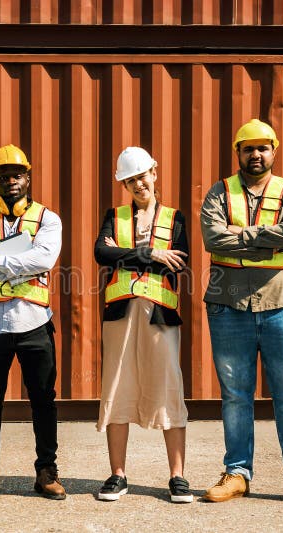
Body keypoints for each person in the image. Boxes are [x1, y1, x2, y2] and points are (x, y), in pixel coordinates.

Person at [199, 119, 283, 506]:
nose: (255, 155)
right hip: (229, 308)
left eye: (262, 148)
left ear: (274, 151)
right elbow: (212, 237)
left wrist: (245, 237)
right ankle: (237, 474)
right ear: (237, 153)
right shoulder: (218, 193)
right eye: (247, 148)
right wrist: (270, 237)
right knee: (236, 396)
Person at [0, 144, 65, 500]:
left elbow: (45, 259)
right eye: (3, 175)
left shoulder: (48, 218)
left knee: (43, 400)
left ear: (28, 177)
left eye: (17, 174)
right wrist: (19, 258)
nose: (11, 181)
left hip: (35, 321)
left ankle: (46, 470)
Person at [93, 147, 192, 503]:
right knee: (117, 386)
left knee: (168, 386)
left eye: (142, 176)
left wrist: (125, 254)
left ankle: (177, 476)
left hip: (160, 315)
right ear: (124, 184)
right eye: (130, 180)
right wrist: (150, 254)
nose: (138, 184)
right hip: (120, 313)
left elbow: (178, 262)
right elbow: (100, 253)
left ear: (155, 171)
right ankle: (118, 475)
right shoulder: (114, 216)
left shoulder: (175, 218)